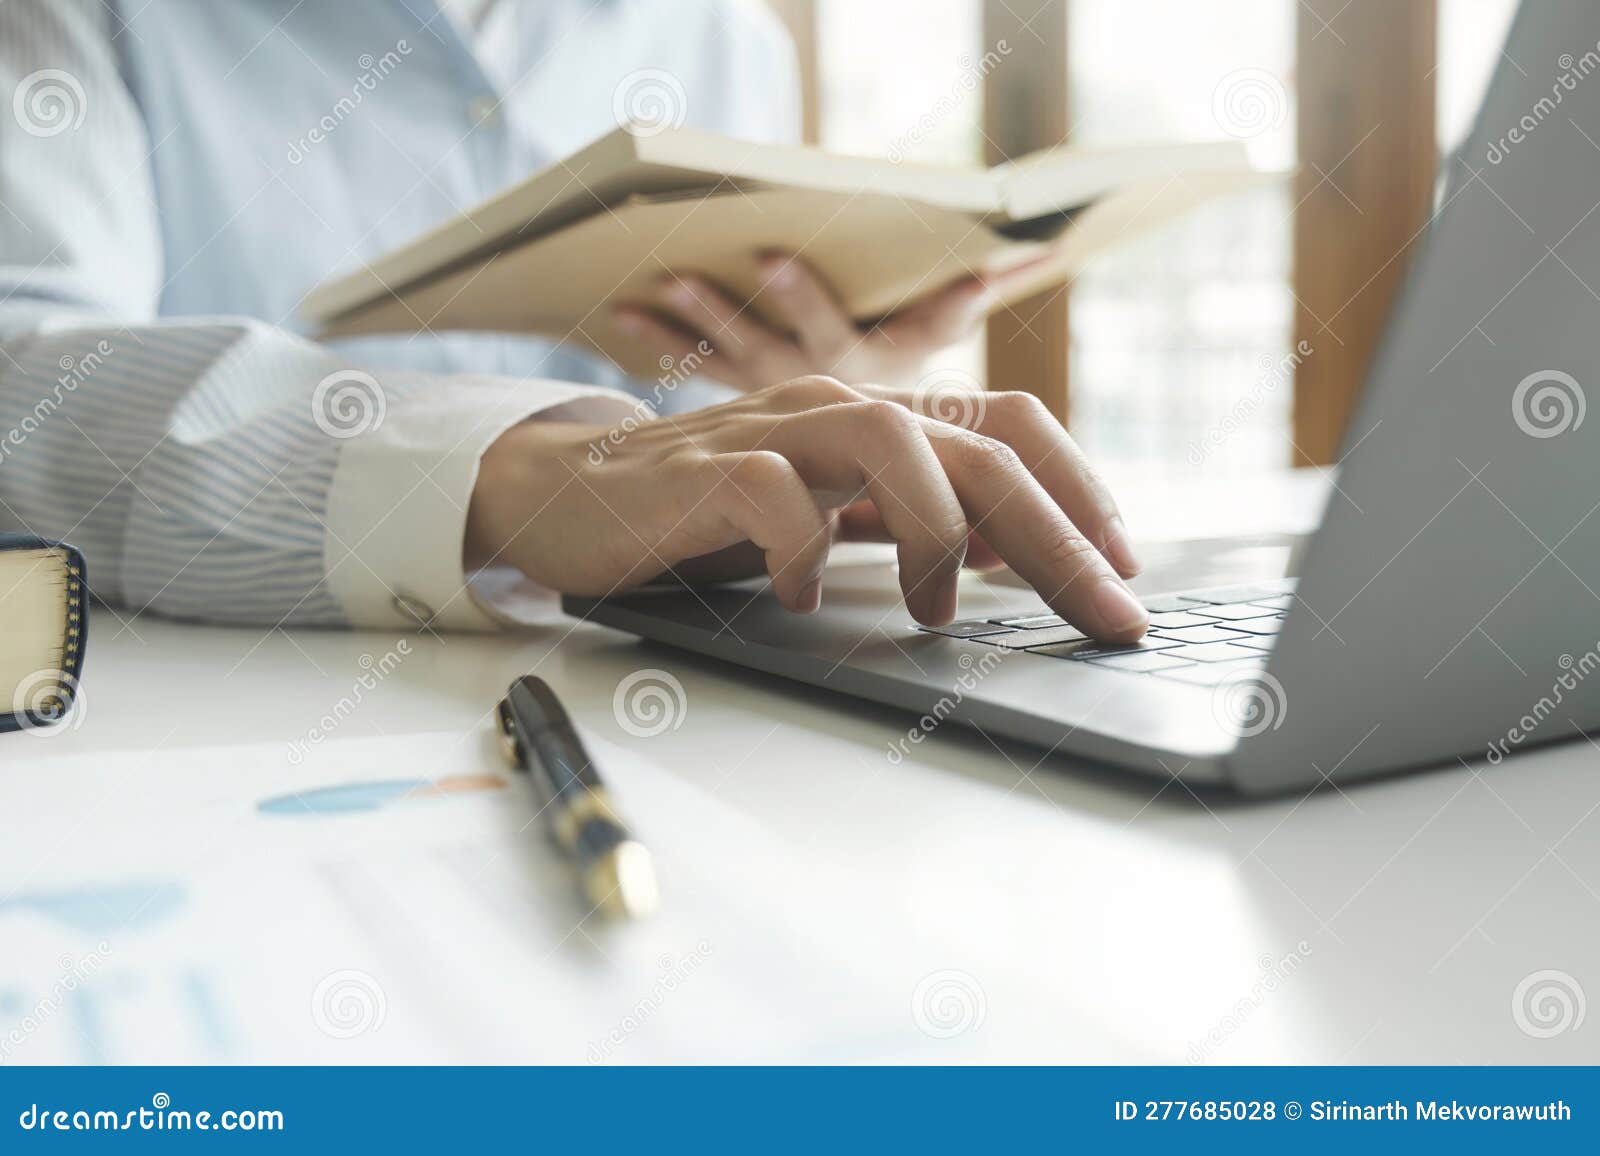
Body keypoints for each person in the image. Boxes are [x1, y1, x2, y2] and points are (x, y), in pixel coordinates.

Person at [0, 0, 1148, 643]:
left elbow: (683, 455)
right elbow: (18, 373)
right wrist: (504, 471)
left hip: (656, 695)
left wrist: (811, 394)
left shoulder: (722, 40)